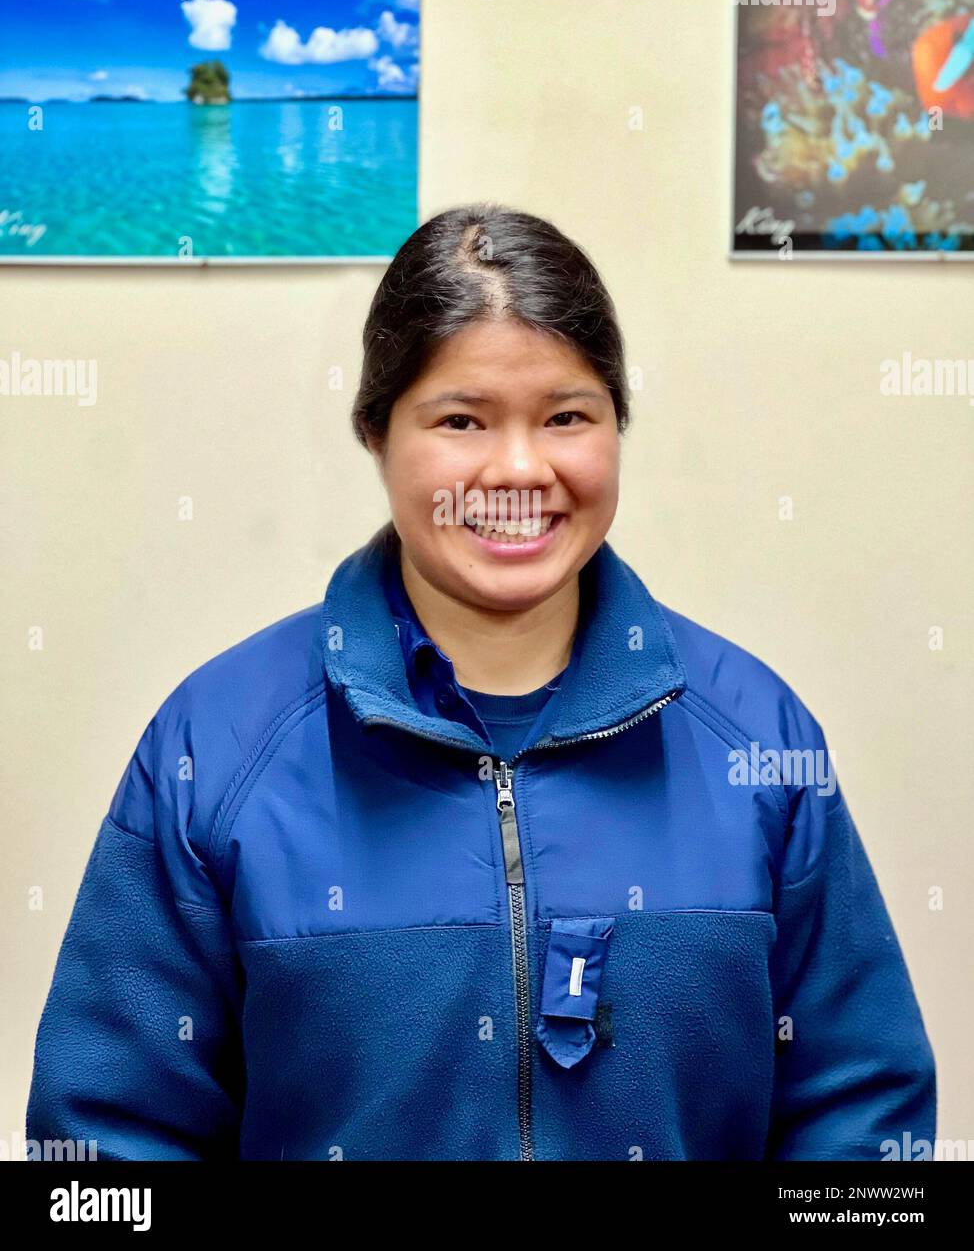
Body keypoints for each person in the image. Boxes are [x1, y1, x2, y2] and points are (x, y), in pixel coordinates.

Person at [26, 204, 936, 1161]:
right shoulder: (216, 748)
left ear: (617, 428)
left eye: (566, 417)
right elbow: (110, 1141)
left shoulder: (757, 739)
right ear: (376, 434)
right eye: (462, 420)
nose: (518, 469)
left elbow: (860, 1117)